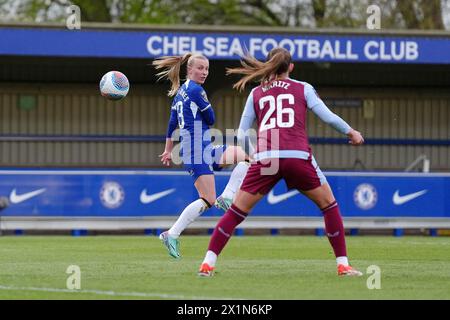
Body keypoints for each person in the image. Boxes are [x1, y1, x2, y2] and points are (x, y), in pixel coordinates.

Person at [198, 47, 365, 277]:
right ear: (291, 67)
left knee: (236, 212)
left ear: (269, 65)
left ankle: (207, 264)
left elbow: (242, 133)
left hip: (266, 159)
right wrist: (351, 132)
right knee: (329, 206)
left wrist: (252, 154)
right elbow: (327, 116)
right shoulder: (303, 88)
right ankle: (343, 264)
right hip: (297, 156)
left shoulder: (256, 92)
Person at [153, 53, 250, 259]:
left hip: (204, 147)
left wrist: (169, 150)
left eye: (207, 69)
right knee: (207, 199)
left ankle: (228, 196)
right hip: (195, 152)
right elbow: (211, 118)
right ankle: (171, 234)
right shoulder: (196, 90)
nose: (204, 72)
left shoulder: (180, 93)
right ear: (190, 70)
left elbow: (172, 126)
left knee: (246, 157)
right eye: (200, 68)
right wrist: (170, 149)